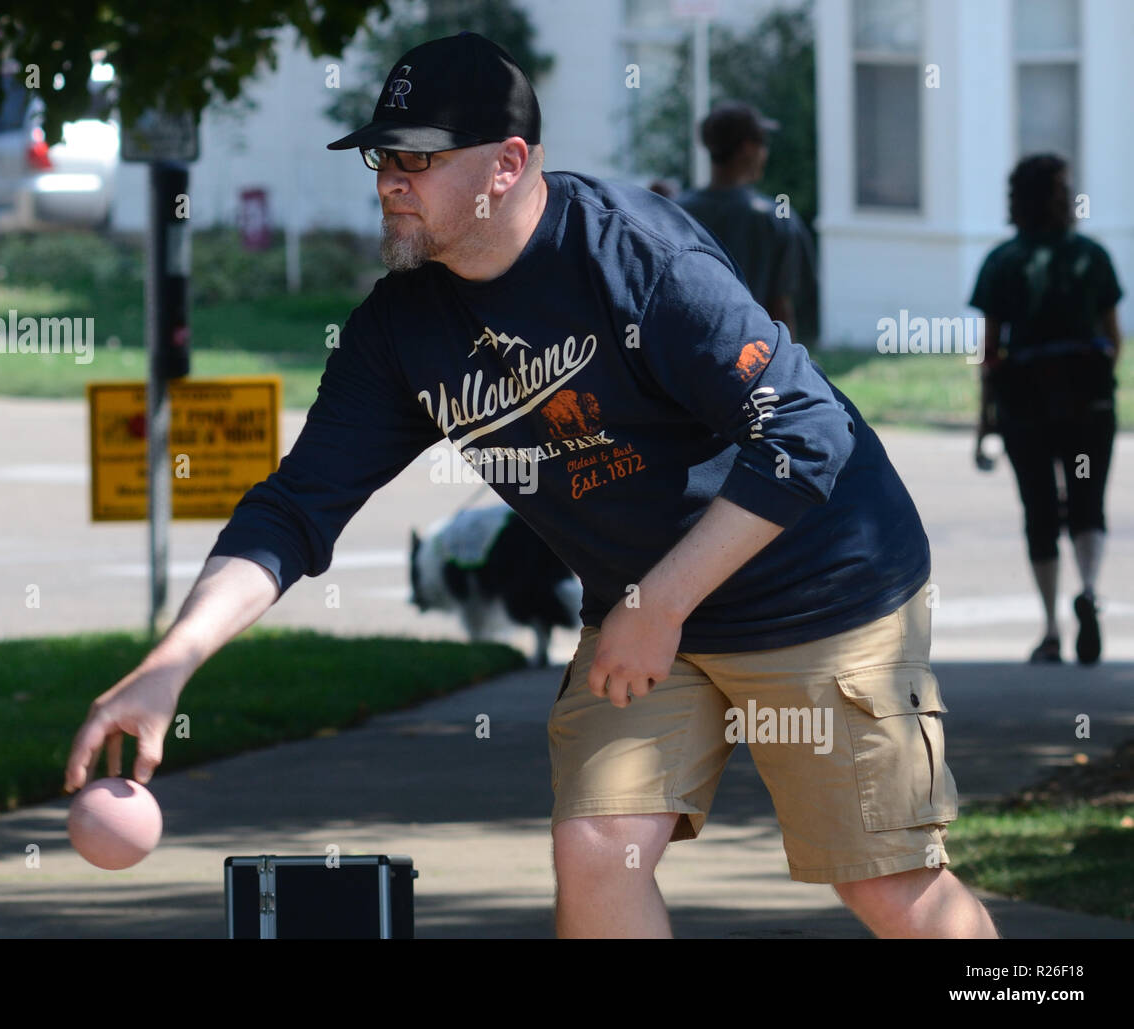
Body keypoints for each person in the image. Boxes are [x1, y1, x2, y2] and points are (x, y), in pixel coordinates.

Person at [64, 32, 996, 939]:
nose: (390, 180)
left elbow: (805, 430)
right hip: (647, 610)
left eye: (417, 160)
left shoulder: (636, 259)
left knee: (887, 882)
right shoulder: (402, 329)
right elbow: (294, 507)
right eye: (380, 157)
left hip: (818, 588)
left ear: (507, 164)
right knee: (598, 845)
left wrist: (657, 605)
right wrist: (171, 662)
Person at [971, 154, 1123, 666]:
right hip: (1090, 403)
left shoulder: (1001, 262)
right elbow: (1112, 337)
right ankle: (1090, 589)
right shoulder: (1092, 256)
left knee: (1039, 510)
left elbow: (990, 355)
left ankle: (1051, 629)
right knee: (1088, 504)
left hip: (1024, 405)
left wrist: (984, 423)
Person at [674, 101, 816, 342]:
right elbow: (781, 308)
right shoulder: (775, 220)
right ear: (748, 148)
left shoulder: (675, 212)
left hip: (686, 355)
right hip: (751, 360)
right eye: (763, 143)